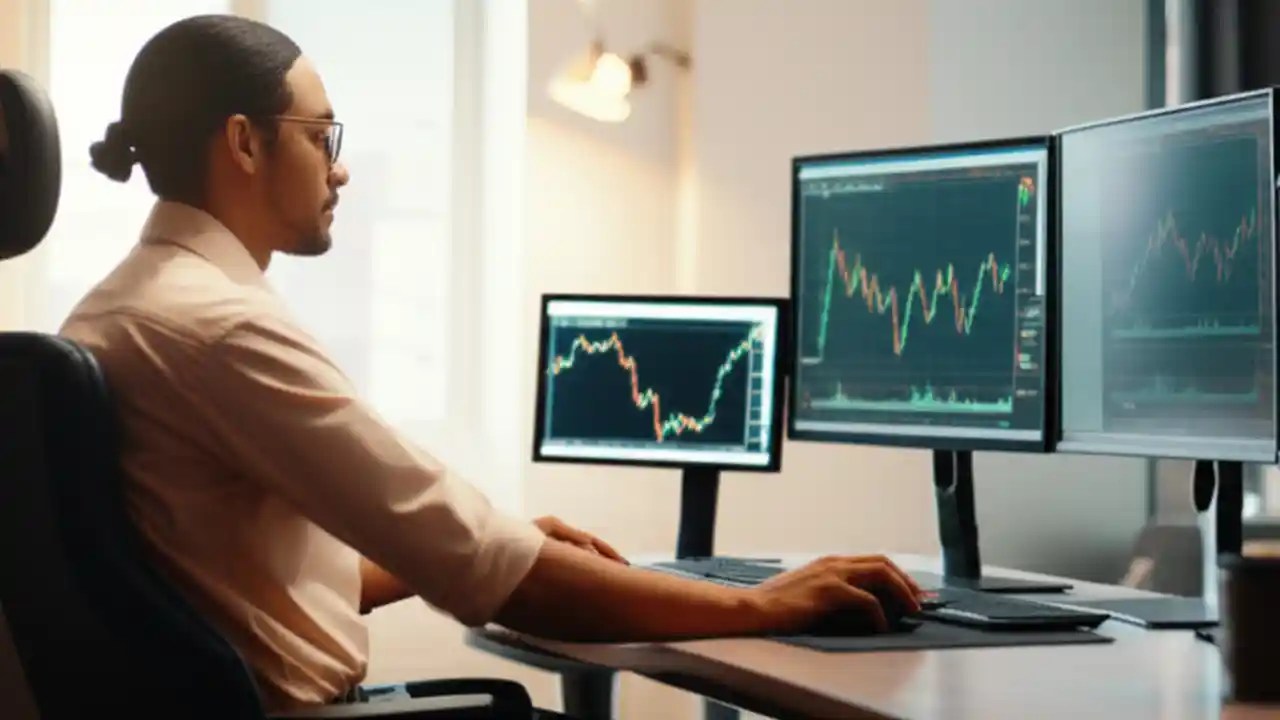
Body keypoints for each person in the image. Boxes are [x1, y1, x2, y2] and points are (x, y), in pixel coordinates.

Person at [60, 13, 925, 714]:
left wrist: (511, 537)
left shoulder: (121, 308)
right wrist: (765, 604)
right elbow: (501, 579)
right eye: (321, 135)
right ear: (244, 143)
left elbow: (268, 577)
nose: (341, 168)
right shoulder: (220, 331)